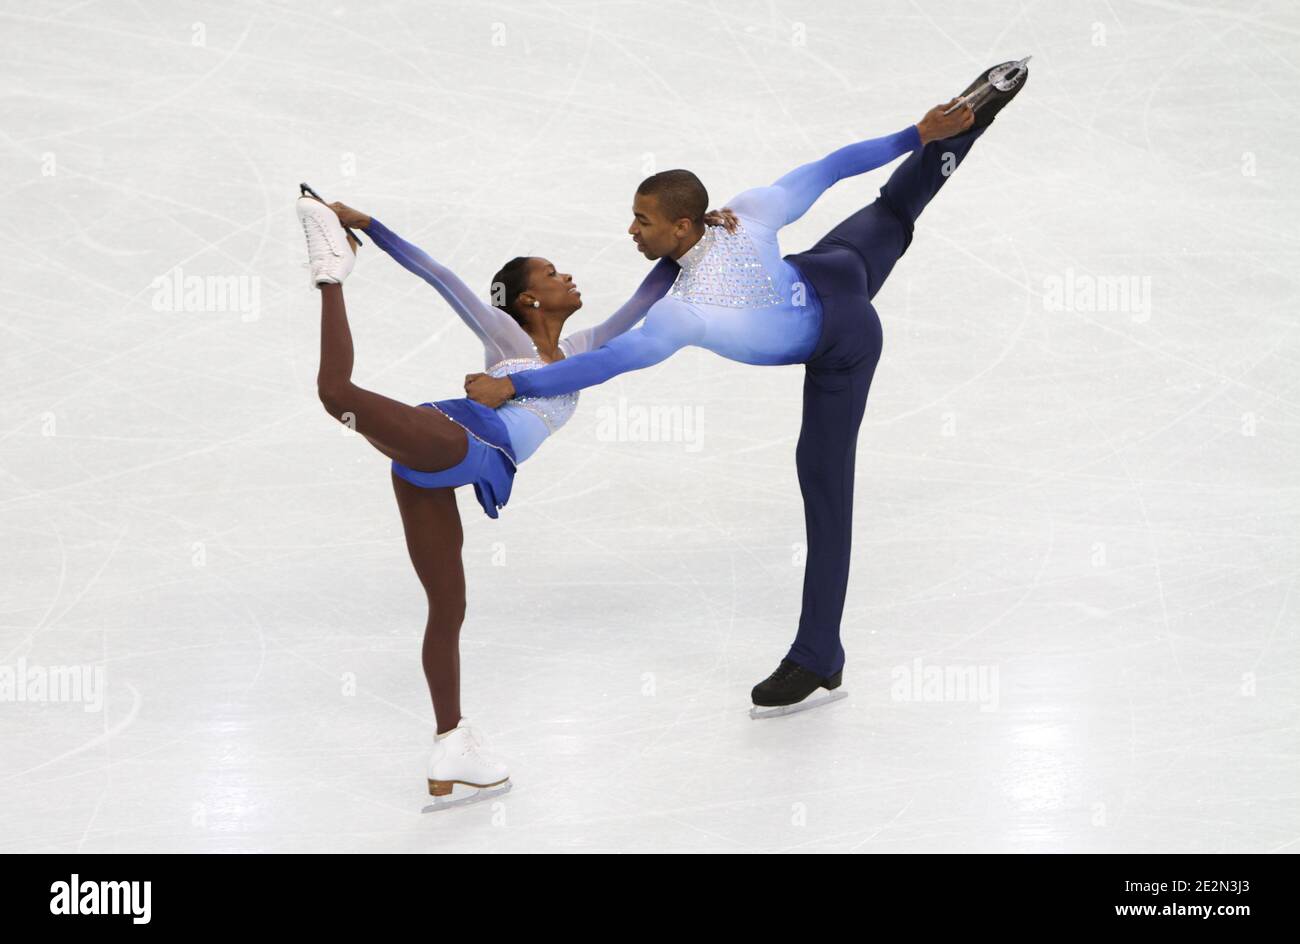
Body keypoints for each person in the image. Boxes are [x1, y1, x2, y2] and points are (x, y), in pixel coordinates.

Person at [465, 59, 1031, 712]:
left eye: (642, 220)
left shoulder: (686, 310)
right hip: (833, 265)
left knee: (824, 484)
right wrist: (918, 133)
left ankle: (820, 653)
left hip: (843, 339)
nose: (631, 229)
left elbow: (611, 360)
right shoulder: (748, 212)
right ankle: (966, 123)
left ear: (681, 226)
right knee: (895, 207)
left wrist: (517, 390)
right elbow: (833, 166)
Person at [298, 195, 734, 797]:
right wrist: (372, 227)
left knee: (447, 607)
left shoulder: (581, 348)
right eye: (552, 274)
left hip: (435, 471)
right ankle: (330, 270)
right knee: (337, 393)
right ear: (529, 299)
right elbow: (441, 277)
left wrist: (697, 236)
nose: (567, 277)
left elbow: (645, 299)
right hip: (453, 438)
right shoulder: (507, 339)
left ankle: (451, 742)